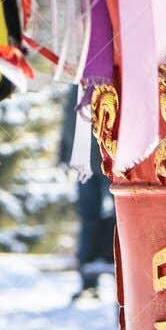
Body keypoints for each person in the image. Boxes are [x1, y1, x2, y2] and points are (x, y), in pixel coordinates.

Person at [59, 86, 115, 300]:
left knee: (115, 214)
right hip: (85, 160)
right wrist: (64, 152)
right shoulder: (77, 82)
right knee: (89, 215)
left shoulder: (106, 77)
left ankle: (115, 267)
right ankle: (88, 278)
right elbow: (68, 118)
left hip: (108, 156)